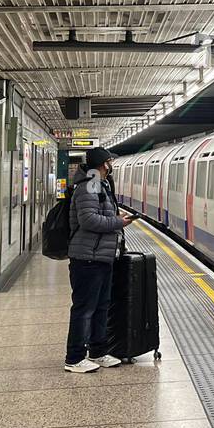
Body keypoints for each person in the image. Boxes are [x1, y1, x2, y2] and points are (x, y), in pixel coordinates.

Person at [65, 147, 137, 373]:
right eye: (109, 161)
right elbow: (88, 220)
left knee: (101, 307)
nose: (111, 164)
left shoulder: (100, 184)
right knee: (85, 309)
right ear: (104, 164)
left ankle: (98, 351)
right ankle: (74, 358)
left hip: (102, 256)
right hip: (87, 258)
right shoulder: (89, 186)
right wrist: (118, 222)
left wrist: (116, 220)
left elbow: (101, 215)